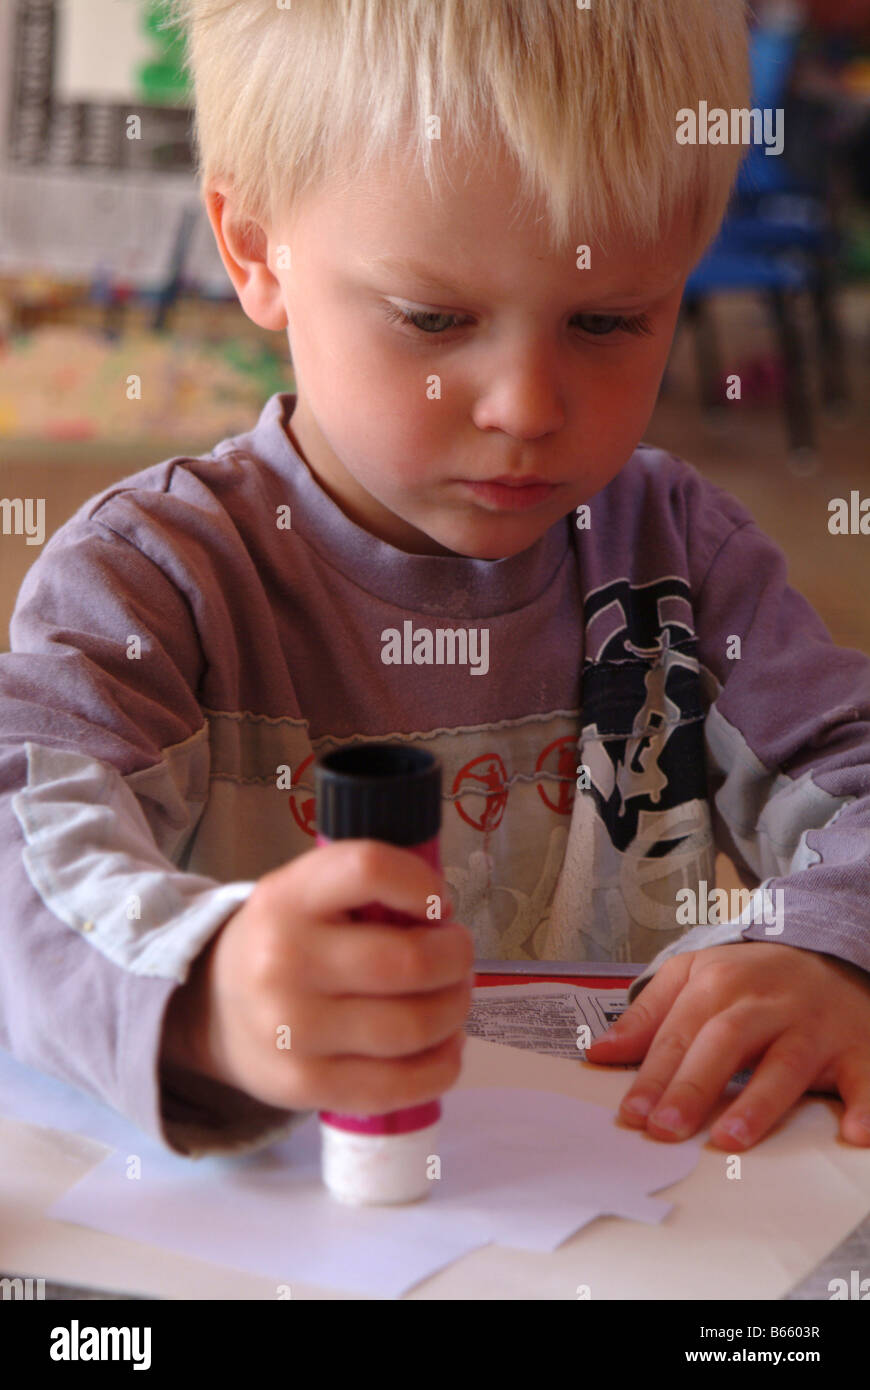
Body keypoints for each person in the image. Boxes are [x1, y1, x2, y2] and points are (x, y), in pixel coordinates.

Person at [2, 0, 868, 1162]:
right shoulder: (154, 576)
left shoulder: (681, 555)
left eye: (609, 319)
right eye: (433, 317)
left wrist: (825, 945)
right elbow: (25, 854)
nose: (526, 404)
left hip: (614, 1209)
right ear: (256, 249)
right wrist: (209, 989)